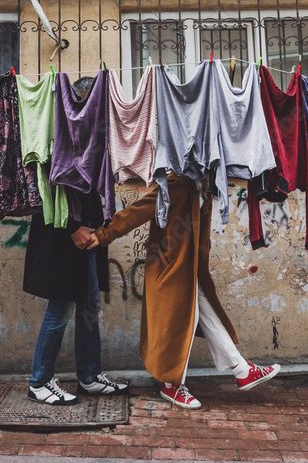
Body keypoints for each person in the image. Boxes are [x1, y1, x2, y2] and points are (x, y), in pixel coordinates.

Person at [74, 174, 279, 409]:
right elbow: (140, 210)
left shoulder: (204, 186)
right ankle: (172, 385)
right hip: (169, 267)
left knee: (206, 316)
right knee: (178, 324)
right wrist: (103, 235)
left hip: (190, 268)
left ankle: (241, 370)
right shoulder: (177, 183)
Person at [23, 77, 128, 405]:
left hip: (90, 231)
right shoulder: (56, 132)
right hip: (61, 233)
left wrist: (95, 228)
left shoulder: (96, 136)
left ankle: (89, 375)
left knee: (89, 304)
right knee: (60, 307)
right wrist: (72, 229)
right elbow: (45, 188)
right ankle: (39, 380)